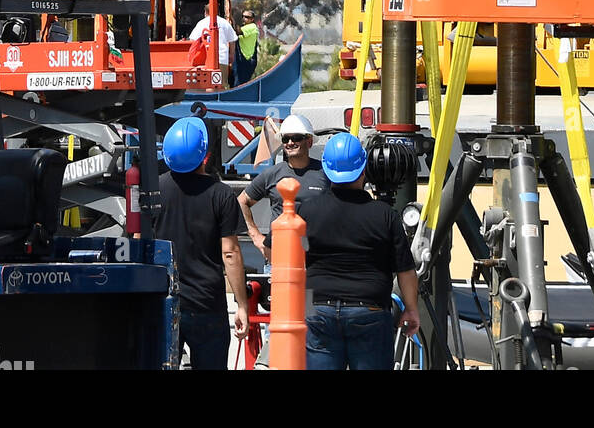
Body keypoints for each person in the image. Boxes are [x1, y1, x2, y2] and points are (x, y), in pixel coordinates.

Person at [301, 131, 419, 371]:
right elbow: (405, 270)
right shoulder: (385, 215)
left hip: (317, 307)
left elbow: (282, 255)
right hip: (370, 309)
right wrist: (412, 310)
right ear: (364, 169)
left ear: (326, 169)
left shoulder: (307, 211)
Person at [154, 117, 248, 370]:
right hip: (206, 305)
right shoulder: (222, 194)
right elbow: (230, 253)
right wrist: (242, 305)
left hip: (160, 299)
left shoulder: (153, 191)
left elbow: (140, 241)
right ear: (205, 154)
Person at [237, 112, 328, 262]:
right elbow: (241, 202)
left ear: (309, 141)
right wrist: (257, 238)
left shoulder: (325, 173)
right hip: (279, 257)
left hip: (316, 257)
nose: (290, 142)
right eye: (286, 139)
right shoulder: (271, 174)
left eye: (297, 138)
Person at [189, 0, 238, 85]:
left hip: (205, 61)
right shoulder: (225, 23)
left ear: (205, 12)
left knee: (206, 85)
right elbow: (232, 40)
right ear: (218, 11)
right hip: (222, 59)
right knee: (220, 85)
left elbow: (193, 41)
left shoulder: (201, 23)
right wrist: (231, 55)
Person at [234, 8, 261, 85]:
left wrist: (233, 19)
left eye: (247, 17)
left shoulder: (252, 27)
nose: (244, 18)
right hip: (241, 58)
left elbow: (238, 31)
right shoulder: (244, 27)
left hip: (247, 60)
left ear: (252, 19)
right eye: (243, 16)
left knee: (240, 83)